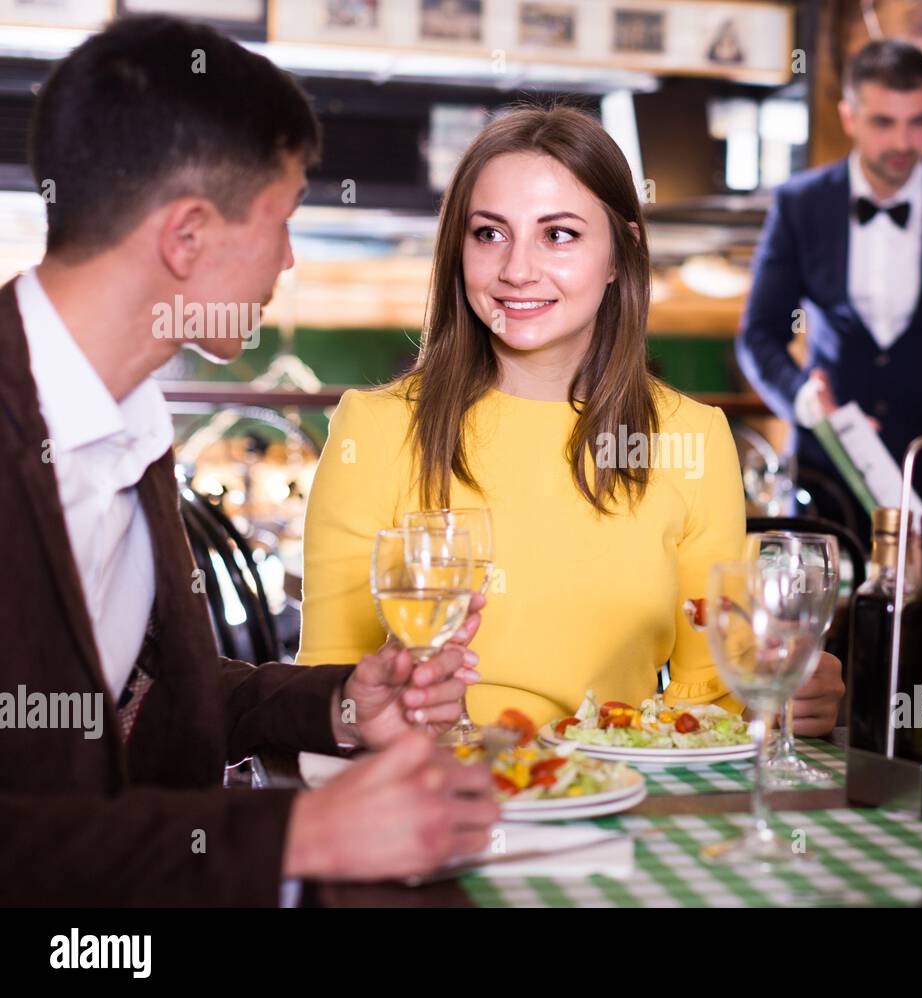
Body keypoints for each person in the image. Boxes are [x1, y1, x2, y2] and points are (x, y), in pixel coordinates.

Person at [0, 15, 498, 906]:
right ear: (187, 237)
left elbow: (155, 700)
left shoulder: (127, 419)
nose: (290, 261)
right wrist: (298, 834)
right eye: (283, 219)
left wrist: (344, 705)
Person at [297, 104, 845, 736]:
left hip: (622, 794)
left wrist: (781, 699)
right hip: (432, 790)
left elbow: (708, 699)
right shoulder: (376, 429)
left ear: (621, 253)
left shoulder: (692, 439)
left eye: (558, 234)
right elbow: (329, 688)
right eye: (489, 233)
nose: (517, 269)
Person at [736, 39, 922, 521]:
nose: (903, 143)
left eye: (917, 121)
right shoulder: (801, 204)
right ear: (849, 117)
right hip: (827, 469)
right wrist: (802, 398)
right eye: (884, 122)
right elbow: (758, 334)